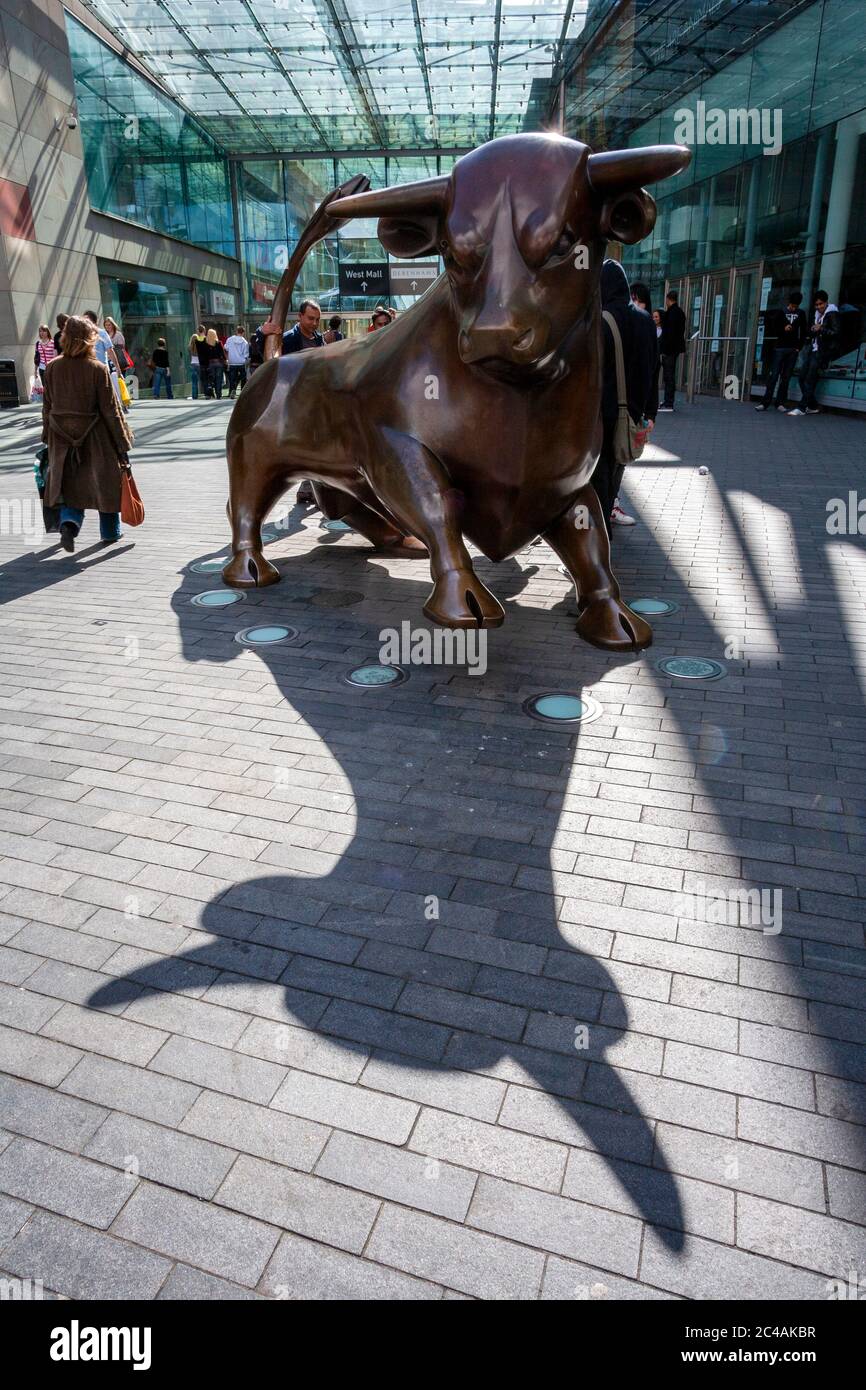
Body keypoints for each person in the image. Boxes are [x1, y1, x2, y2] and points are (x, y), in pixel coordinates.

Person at [40, 314, 133, 552]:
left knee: (71, 486)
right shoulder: (97, 369)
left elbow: (47, 406)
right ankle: (110, 532)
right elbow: (111, 411)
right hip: (95, 438)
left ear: (65, 338)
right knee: (106, 482)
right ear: (89, 339)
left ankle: (69, 525)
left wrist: (47, 437)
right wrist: (122, 445)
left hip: (62, 438)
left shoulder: (52, 368)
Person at [590, 260, 658, 537]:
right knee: (619, 465)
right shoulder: (645, 320)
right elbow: (655, 368)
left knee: (600, 477)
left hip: (604, 412)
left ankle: (600, 540)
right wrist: (650, 413)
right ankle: (608, 516)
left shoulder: (601, 320)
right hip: (634, 411)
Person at [789, 290, 840, 416]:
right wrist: (813, 329)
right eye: (816, 305)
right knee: (802, 378)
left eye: (821, 304)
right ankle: (812, 406)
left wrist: (821, 328)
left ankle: (802, 408)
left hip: (823, 352)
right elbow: (811, 333)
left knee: (809, 380)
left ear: (826, 302)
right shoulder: (817, 315)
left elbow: (836, 332)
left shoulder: (832, 313)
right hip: (814, 349)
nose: (819, 307)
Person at [755, 292, 807, 413]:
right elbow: (773, 329)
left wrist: (799, 346)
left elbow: (803, 331)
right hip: (780, 347)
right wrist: (783, 329)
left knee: (786, 377)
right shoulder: (781, 312)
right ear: (789, 303)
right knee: (774, 376)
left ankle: (780, 402)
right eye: (792, 306)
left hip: (792, 349)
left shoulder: (801, 313)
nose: (793, 308)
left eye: (796, 307)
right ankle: (765, 402)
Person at [657, 289, 686, 411]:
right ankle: (669, 401)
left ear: (668, 299)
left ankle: (669, 402)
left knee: (669, 376)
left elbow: (669, 333)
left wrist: (664, 349)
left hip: (670, 349)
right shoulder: (680, 312)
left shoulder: (671, 313)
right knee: (670, 375)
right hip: (675, 348)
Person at [225, 325, 250, 397]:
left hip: (232, 362)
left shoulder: (230, 339)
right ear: (243, 333)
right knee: (243, 377)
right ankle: (243, 391)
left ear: (236, 331)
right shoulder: (245, 342)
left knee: (232, 378)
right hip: (241, 362)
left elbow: (226, 348)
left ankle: (233, 390)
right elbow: (246, 354)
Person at [202, 328, 227, 398]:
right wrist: (225, 361)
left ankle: (210, 390)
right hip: (219, 363)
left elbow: (205, 355)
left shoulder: (206, 344)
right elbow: (222, 353)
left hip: (210, 363)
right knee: (219, 379)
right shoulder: (219, 343)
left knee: (212, 378)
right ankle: (218, 394)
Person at [188, 325, 206, 399]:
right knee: (204, 380)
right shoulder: (199, 345)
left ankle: (194, 396)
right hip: (200, 364)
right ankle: (206, 394)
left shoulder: (190, 347)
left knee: (194, 382)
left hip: (193, 364)